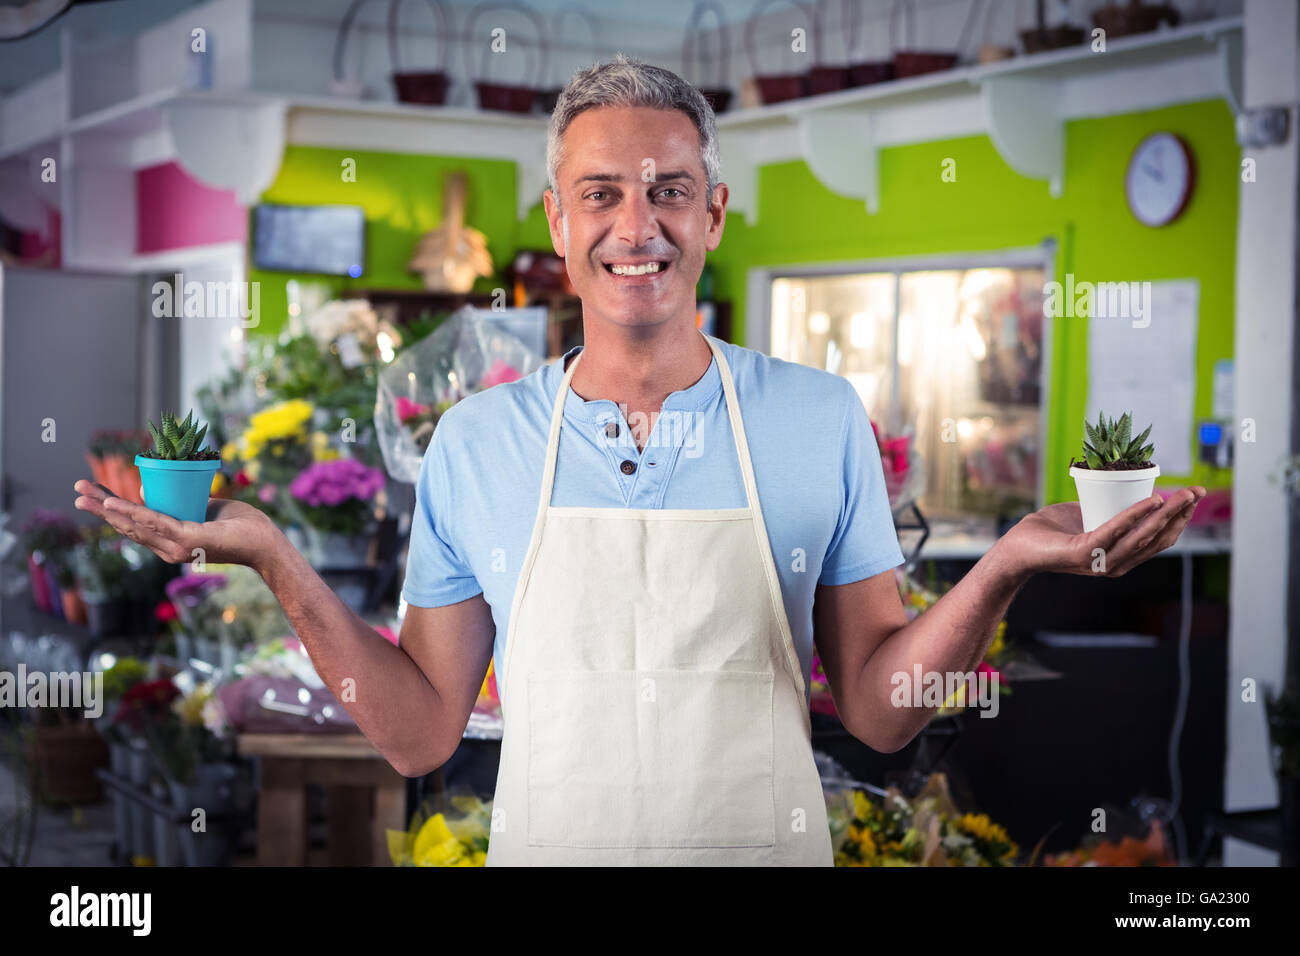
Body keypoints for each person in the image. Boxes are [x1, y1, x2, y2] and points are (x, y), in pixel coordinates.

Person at [74, 54, 1206, 866]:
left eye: (669, 190)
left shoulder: (816, 417)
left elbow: (877, 709)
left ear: (712, 215)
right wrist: (274, 557)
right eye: (602, 194)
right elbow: (420, 730)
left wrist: (1002, 564)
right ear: (559, 223)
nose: (638, 224)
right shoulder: (477, 441)